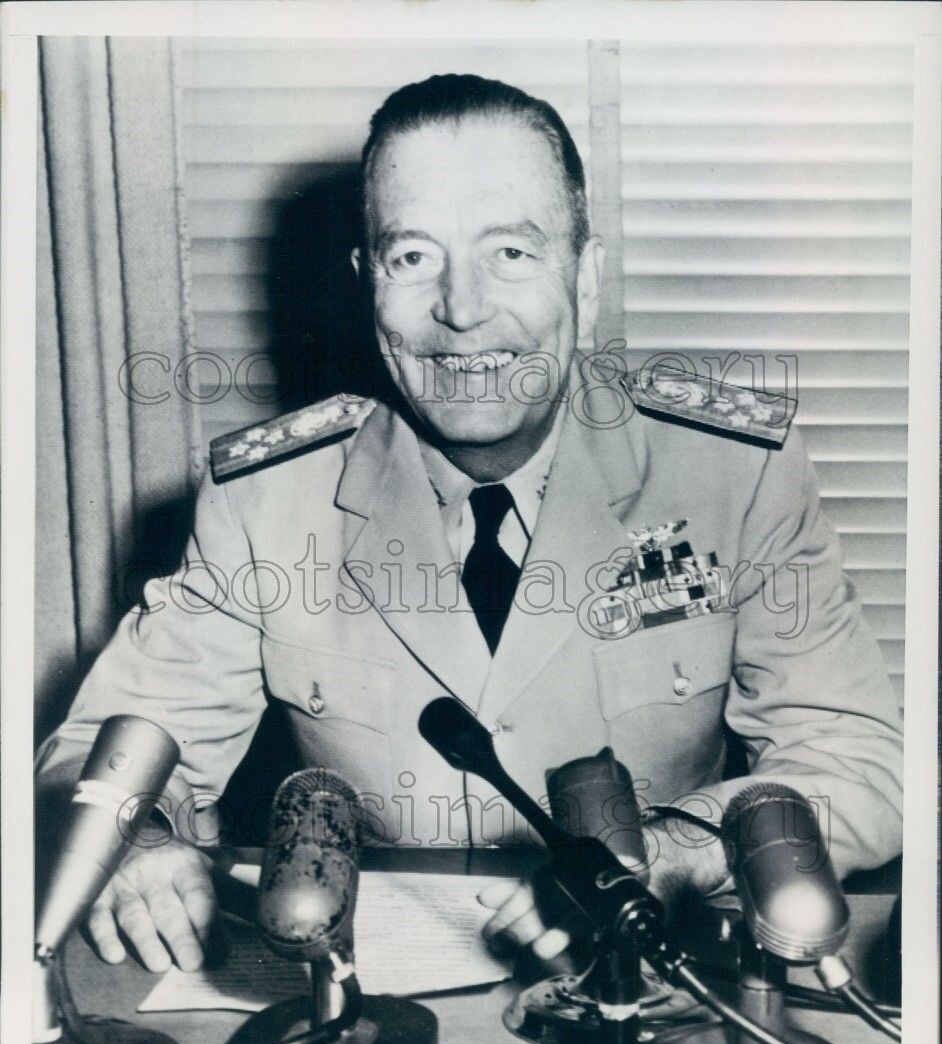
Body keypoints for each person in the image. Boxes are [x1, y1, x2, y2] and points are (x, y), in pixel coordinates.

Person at [35, 74, 903, 974]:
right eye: (413, 257)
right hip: (376, 1004)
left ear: (587, 274)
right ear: (368, 282)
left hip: (652, 989)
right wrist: (135, 850)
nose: (461, 309)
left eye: (512, 254)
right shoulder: (266, 502)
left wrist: (681, 851)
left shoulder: (732, 473)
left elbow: (858, 761)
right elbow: (97, 759)